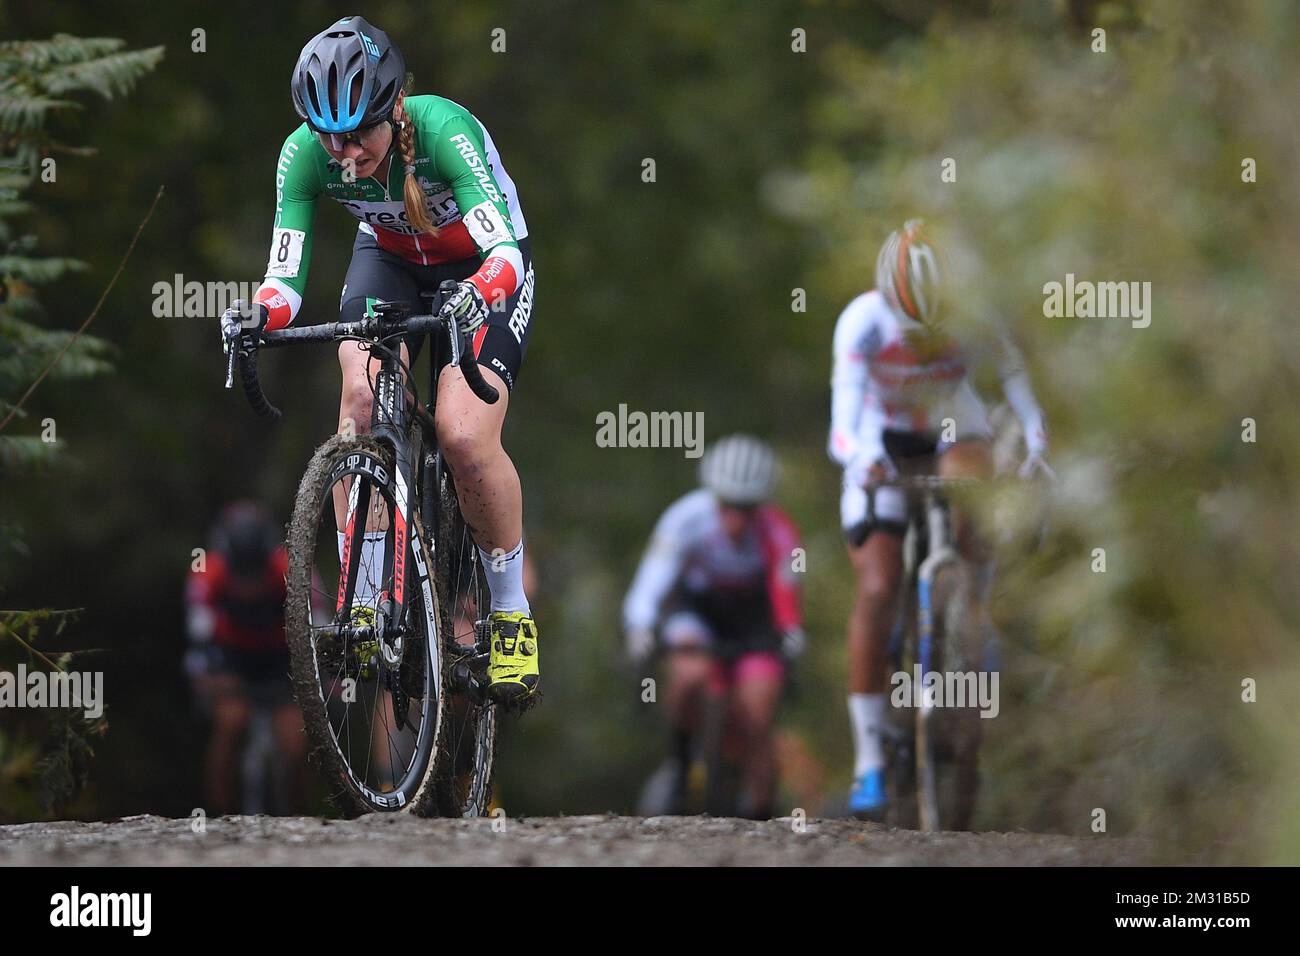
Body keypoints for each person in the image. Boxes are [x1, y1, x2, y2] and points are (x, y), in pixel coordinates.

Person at [226, 16, 539, 703]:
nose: (343, 152)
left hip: (481, 269)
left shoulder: (443, 130)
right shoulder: (303, 154)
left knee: (463, 432)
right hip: (390, 262)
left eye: (359, 134)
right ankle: (369, 594)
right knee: (360, 400)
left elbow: (506, 254)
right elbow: (283, 280)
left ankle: (510, 612)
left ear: (392, 111)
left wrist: (482, 291)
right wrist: (257, 314)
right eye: (327, 135)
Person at [828, 219, 1050, 818]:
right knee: (876, 586)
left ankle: (973, 612)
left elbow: (1014, 377)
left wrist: (1034, 443)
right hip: (884, 437)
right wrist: (864, 459)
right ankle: (869, 761)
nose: (924, 343)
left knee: (978, 505)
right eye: (913, 331)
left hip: (954, 429)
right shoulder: (863, 322)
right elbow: (843, 424)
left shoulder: (978, 313)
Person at [623, 435, 805, 819]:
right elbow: (650, 584)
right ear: (713, 496)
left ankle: (761, 803)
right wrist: (640, 627)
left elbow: (786, 597)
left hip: (753, 623)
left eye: (747, 508)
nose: (736, 519)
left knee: (758, 709)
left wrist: (790, 635)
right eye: (728, 506)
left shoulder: (779, 531)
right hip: (698, 615)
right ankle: (681, 764)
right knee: (690, 674)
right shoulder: (684, 519)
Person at [185, 501, 307, 814]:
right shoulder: (207, 573)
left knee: (295, 746)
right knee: (231, 724)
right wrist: (206, 678)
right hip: (231, 660)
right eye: (242, 572)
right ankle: (220, 813)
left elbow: (315, 625)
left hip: (281, 659)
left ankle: (295, 813)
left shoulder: (290, 570)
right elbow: (198, 638)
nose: (249, 587)